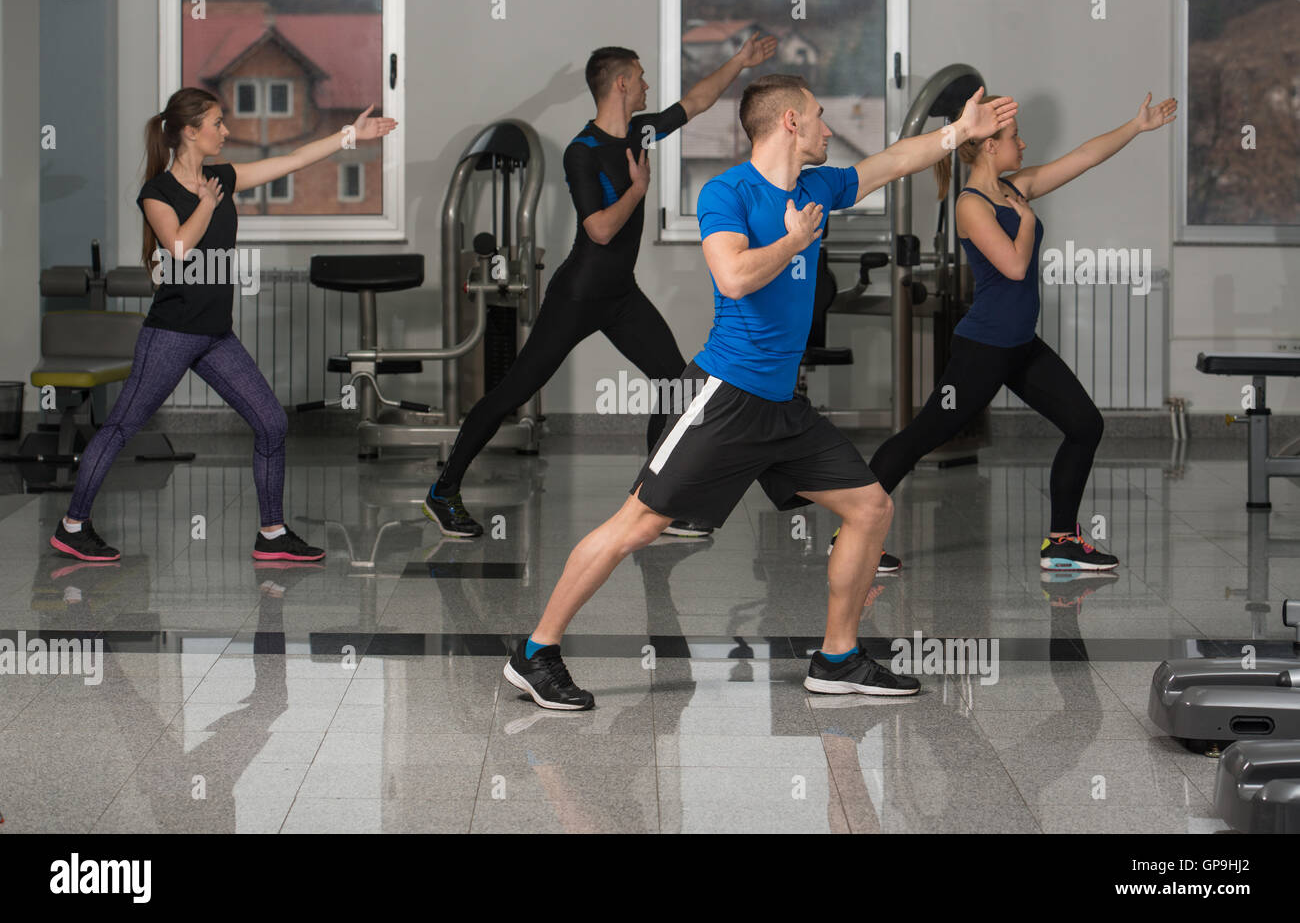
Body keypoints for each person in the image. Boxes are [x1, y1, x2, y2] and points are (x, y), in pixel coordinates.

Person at [502, 75, 1019, 710]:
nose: (831, 129)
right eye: (821, 117)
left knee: (870, 509)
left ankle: (838, 658)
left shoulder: (818, 186)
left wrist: (958, 134)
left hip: (781, 407)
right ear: (791, 124)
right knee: (638, 525)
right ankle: (535, 653)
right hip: (722, 397)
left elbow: (889, 164)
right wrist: (795, 241)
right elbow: (734, 275)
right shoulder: (729, 192)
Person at [421, 36, 777, 539]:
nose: (648, 84)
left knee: (677, 386)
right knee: (511, 393)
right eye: (641, 75)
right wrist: (638, 189)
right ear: (622, 82)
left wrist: (740, 61)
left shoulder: (641, 132)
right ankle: (443, 492)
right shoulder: (581, 152)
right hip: (578, 295)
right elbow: (600, 230)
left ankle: (654, 503)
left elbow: (695, 103)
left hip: (619, 296)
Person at [49, 87, 396, 563]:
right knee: (122, 427)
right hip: (170, 335)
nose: (226, 131)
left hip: (215, 335)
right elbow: (177, 249)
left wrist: (350, 136)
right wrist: (208, 205)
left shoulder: (222, 176)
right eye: (217, 123)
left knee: (271, 422)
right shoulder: (157, 192)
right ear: (191, 131)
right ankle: (73, 526)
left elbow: (293, 160)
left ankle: (272, 532)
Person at [862, 91, 1177, 571]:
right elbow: (1012, 265)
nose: (1023, 144)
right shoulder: (972, 205)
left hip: (1019, 345)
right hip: (982, 349)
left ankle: (1062, 542)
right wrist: (1026, 221)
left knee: (1085, 425)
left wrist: (1136, 127)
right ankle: (853, 532)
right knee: (924, 435)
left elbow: (1083, 159)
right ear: (989, 146)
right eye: (1013, 138)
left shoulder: (1014, 187)